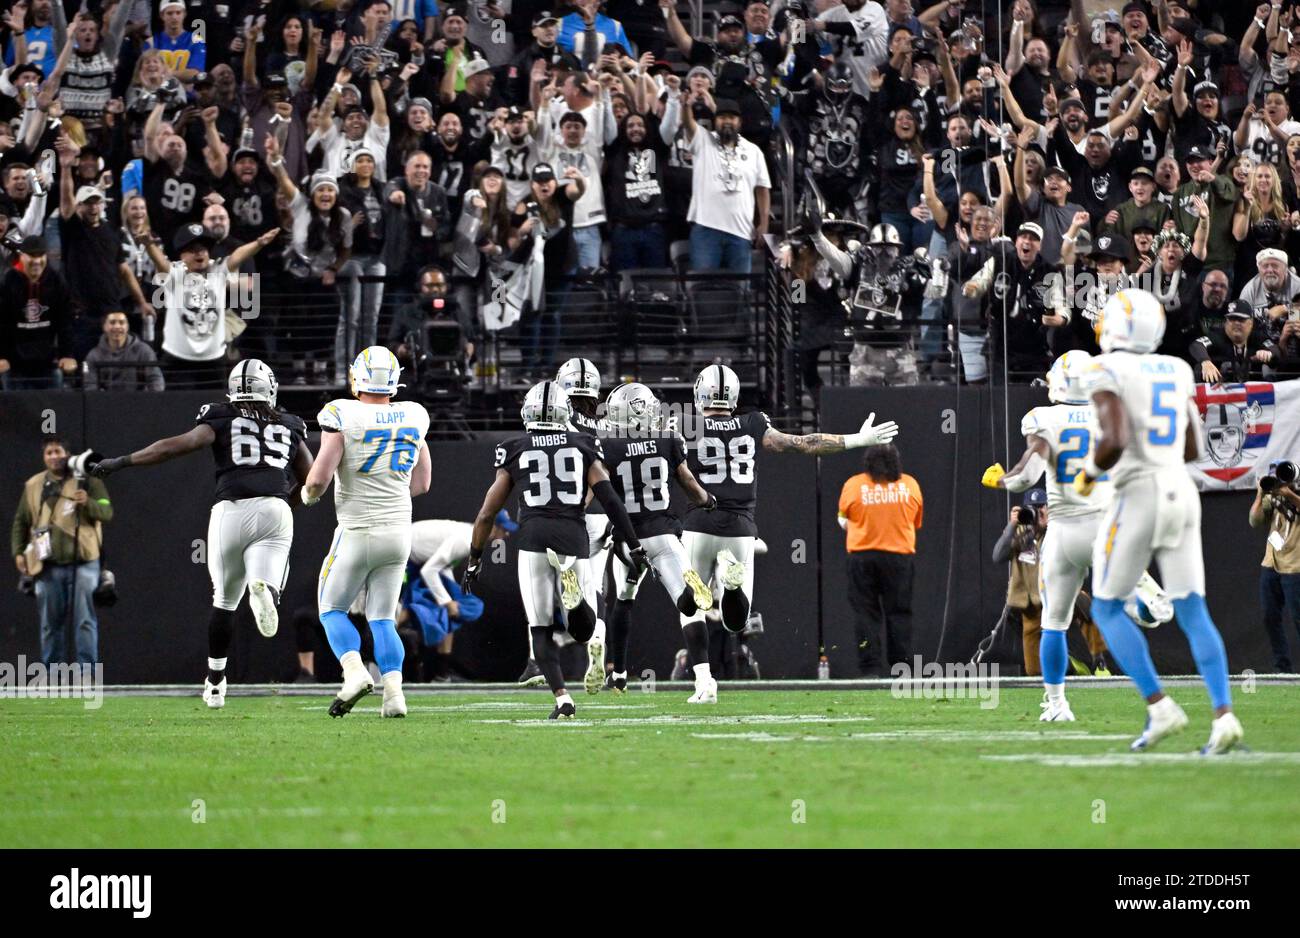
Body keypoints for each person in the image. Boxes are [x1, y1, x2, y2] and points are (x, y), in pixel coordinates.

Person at [1072, 288, 1242, 754]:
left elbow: (1114, 437)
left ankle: (1160, 707)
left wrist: (1089, 472)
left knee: (1105, 607)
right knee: (1193, 609)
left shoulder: (1105, 368)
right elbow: (1192, 446)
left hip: (1138, 491)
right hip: (1182, 489)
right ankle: (1224, 716)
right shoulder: (1178, 367)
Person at [89, 362, 312, 707]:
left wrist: (122, 462)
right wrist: (284, 504)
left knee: (223, 601)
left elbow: (176, 445)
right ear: (269, 387)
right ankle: (266, 589)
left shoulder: (220, 416)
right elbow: (313, 481)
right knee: (267, 577)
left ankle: (215, 684)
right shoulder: (290, 423)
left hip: (231, 510)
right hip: (275, 507)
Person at [679, 364, 900, 703]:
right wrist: (858, 440)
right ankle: (730, 583)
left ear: (700, 393)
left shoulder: (685, 426)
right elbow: (802, 444)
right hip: (740, 527)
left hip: (699, 523)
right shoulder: (753, 423)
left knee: (691, 608)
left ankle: (704, 683)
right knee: (735, 621)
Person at [982, 351, 1171, 719]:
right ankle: (1138, 597)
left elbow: (1026, 475)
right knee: (1116, 595)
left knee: (1054, 621)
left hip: (1064, 531)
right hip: (1104, 524)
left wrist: (999, 479)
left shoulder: (1045, 419)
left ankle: (1056, 704)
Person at [462, 380, 648, 718]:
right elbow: (610, 499)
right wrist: (634, 544)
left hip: (533, 535)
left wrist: (475, 559)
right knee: (585, 629)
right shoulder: (582, 443)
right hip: (573, 533)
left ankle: (563, 698)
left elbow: (487, 512)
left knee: (540, 627)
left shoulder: (514, 446)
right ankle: (574, 602)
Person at [301, 347, 432, 719]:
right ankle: (394, 695)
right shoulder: (413, 415)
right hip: (398, 532)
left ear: (357, 377)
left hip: (358, 529)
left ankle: (355, 672)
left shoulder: (343, 413)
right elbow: (422, 482)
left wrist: (308, 497)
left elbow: (319, 478)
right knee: (382, 617)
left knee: (331, 609)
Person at [598, 382, 717, 693]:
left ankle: (619, 674)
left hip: (627, 539)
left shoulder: (606, 446)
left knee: (623, 600)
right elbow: (689, 483)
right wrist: (707, 500)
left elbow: (596, 493)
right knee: (689, 607)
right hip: (662, 533)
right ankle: (704, 680)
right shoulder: (666, 439)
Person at [11, 435, 113, 667]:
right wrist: (18, 551)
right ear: (44, 458)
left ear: (67, 455)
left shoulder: (88, 481)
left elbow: (106, 512)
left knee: (85, 621)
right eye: (49, 452)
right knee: (50, 623)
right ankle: (51, 675)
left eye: (58, 451)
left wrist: (88, 502)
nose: (54, 456)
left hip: (84, 561)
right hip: (47, 564)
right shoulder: (33, 485)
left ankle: (87, 673)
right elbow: (21, 521)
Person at [837, 442, 923, 678]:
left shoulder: (854, 485)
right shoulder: (910, 485)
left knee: (865, 614)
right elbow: (915, 522)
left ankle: (870, 669)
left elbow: (843, 521)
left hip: (862, 556)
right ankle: (901, 669)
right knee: (899, 614)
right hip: (899, 557)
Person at [554, 356, 611, 692]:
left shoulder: (559, 424)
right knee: (597, 586)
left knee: (558, 585)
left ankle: (540, 659)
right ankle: (598, 640)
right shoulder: (605, 427)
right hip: (603, 514)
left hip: (566, 513)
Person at [680, 96, 770, 274]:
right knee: (703, 289)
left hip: (741, 232)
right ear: (715, 121)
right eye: (722, 117)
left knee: (741, 292)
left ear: (740, 122)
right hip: (706, 230)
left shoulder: (754, 151)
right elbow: (688, 123)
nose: (727, 121)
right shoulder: (703, 141)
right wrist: (685, 105)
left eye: (732, 117)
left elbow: (762, 188)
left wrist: (764, 222)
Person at [0, 235, 76, 390]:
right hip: (14, 365)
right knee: (17, 413)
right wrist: (2, 355)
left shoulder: (56, 281)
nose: (36, 261)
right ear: (22, 256)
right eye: (31, 256)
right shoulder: (8, 281)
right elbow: (1, 322)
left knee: (50, 412)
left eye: (41, 255)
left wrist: (67, 354)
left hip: (47, 363)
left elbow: (65, 321)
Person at [1249, 462, 1300, 672]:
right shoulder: (1274, 498)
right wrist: (1260, 494)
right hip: (1271, 563)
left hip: (1295, 567)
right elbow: (1254, 520)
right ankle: (1282, 667)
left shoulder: (1292, 496)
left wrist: (1289, 494)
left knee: (1298, 619)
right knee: (1270, 617)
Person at [84, 310, 164, 391]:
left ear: (127, 327)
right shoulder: (93, 355)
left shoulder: (144, 350)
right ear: (104, 327)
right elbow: (90, 386)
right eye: (112, 322)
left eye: (121, 322)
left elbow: (156, 380)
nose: (117, 326)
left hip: (138, 401)